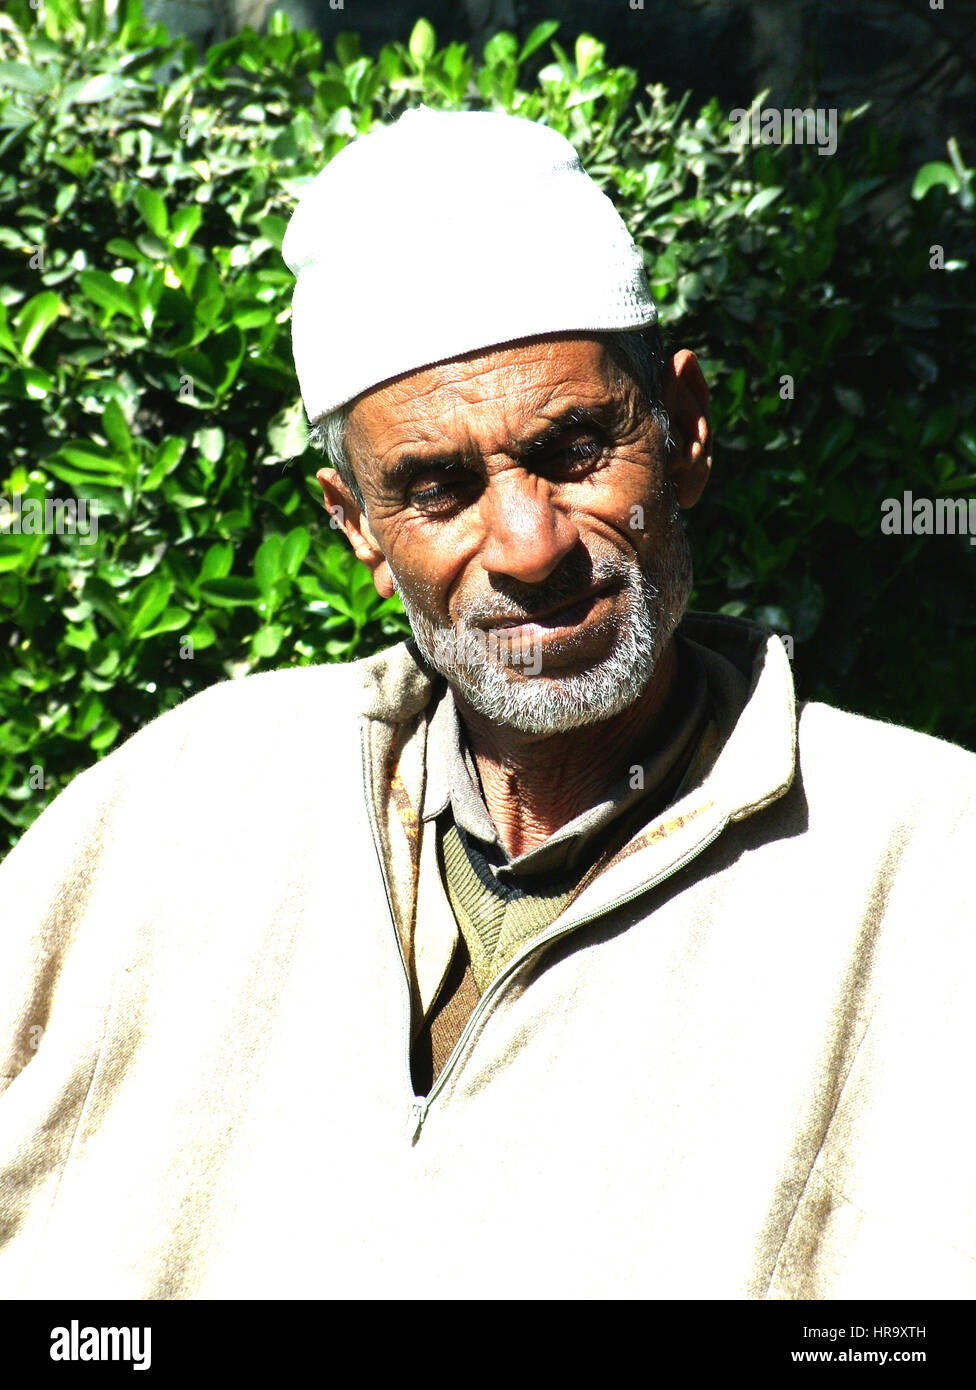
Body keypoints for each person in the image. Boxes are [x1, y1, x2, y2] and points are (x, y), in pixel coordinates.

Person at [0, 107, 973, 1300]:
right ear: (356, 529)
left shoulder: (926, 856)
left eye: (572, 448)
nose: (526, 543)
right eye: (437, 487)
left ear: (687, 430)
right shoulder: (185, 801)